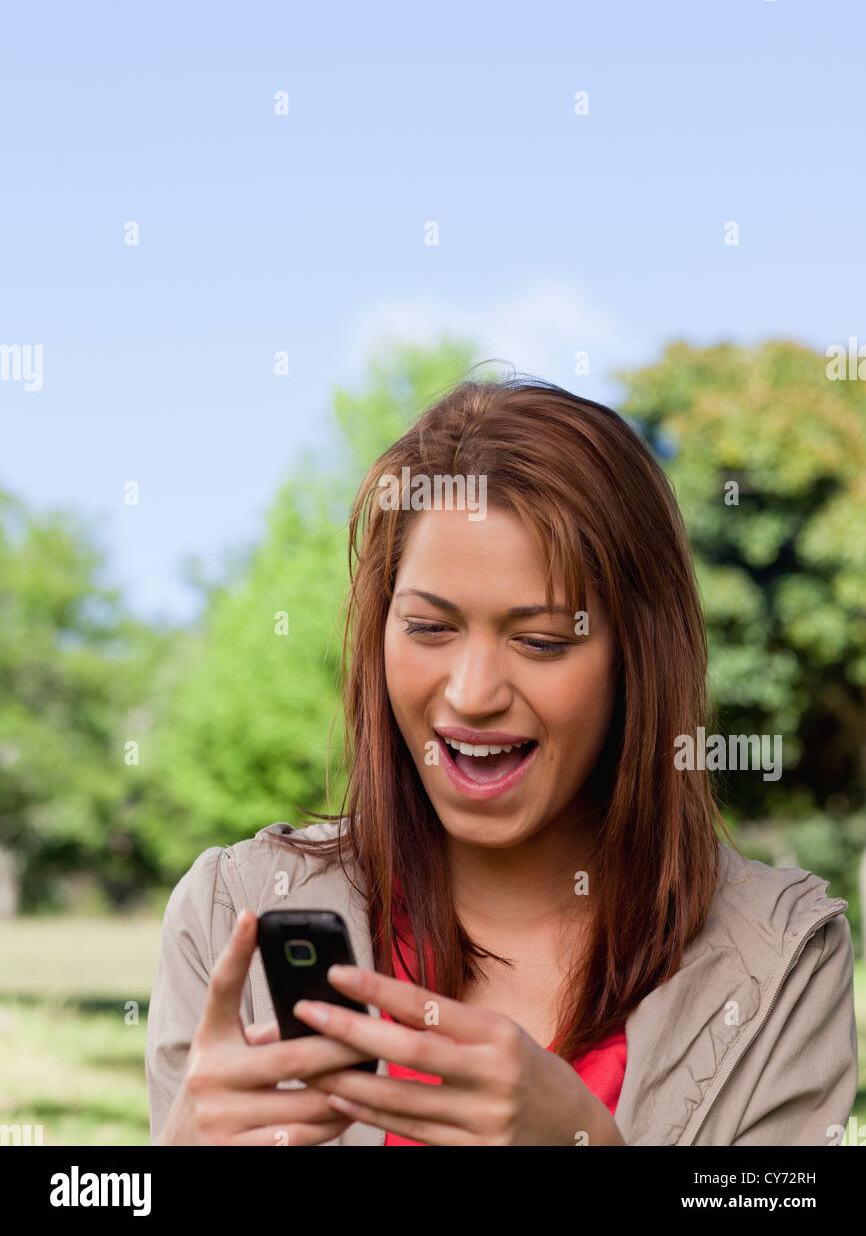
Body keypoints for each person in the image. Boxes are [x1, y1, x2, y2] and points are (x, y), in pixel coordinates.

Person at [145, 375, 858, 1146]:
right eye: (428, 628)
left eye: (542, 640)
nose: (474, 693)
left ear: (639, 660)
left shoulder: (784, 957)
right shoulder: (230, 916)